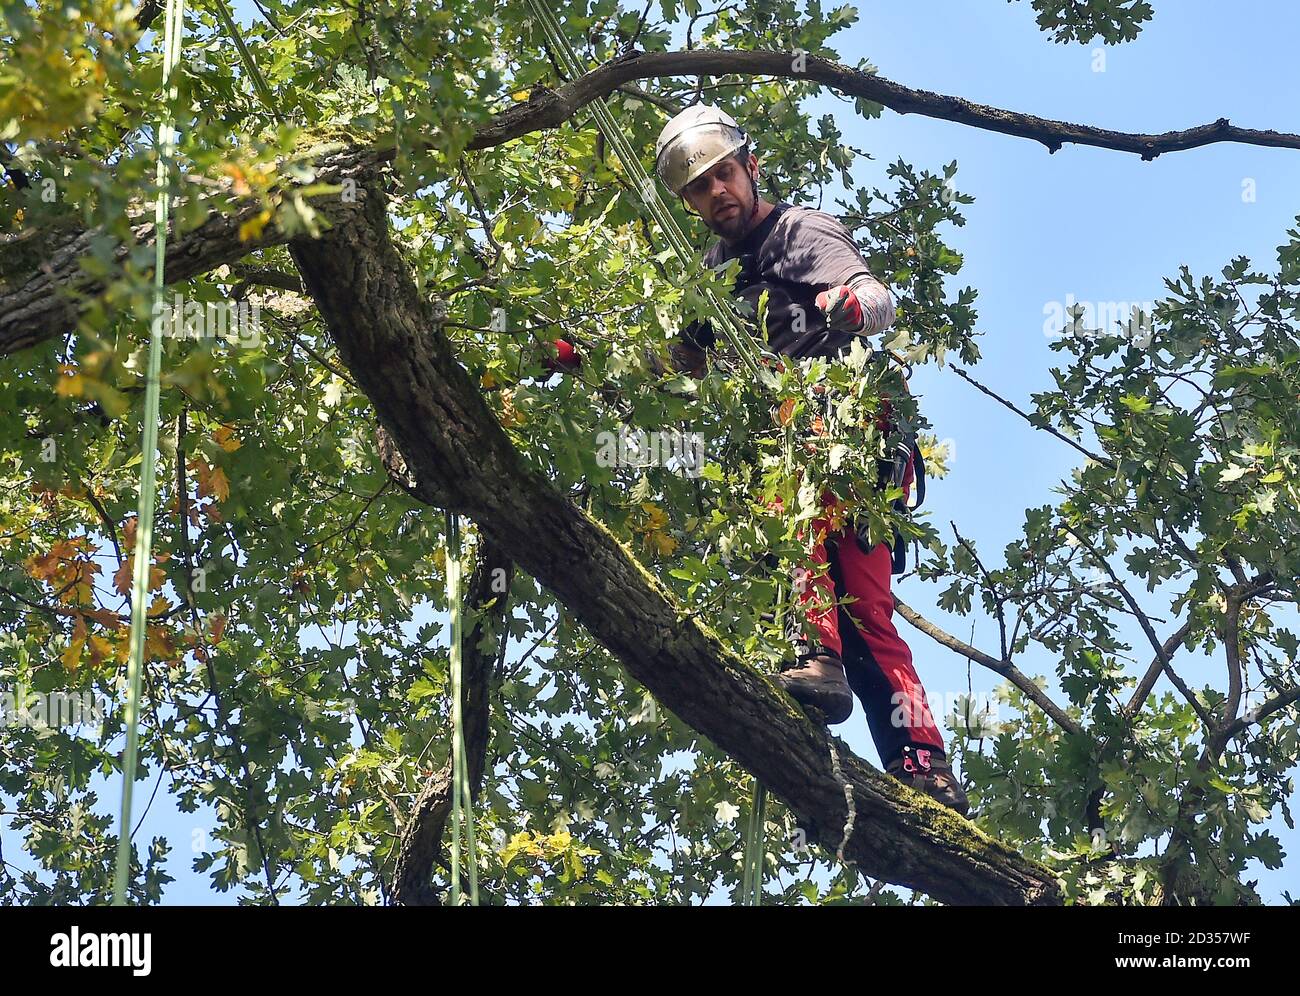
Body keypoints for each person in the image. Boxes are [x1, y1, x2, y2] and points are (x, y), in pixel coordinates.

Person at [652, 104, 969, 816]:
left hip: (850, 434)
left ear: (751, 167)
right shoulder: (712, 275)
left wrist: (852, 308)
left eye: (724, 176)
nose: (717, 195)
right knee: (846, 595)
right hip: (796, 445)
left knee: (837, 577)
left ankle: (862, 702)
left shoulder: (797, 230)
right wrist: (589, 362)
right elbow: (680, 367)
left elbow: (877, 295)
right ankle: (892, 734)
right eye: (700, 189)